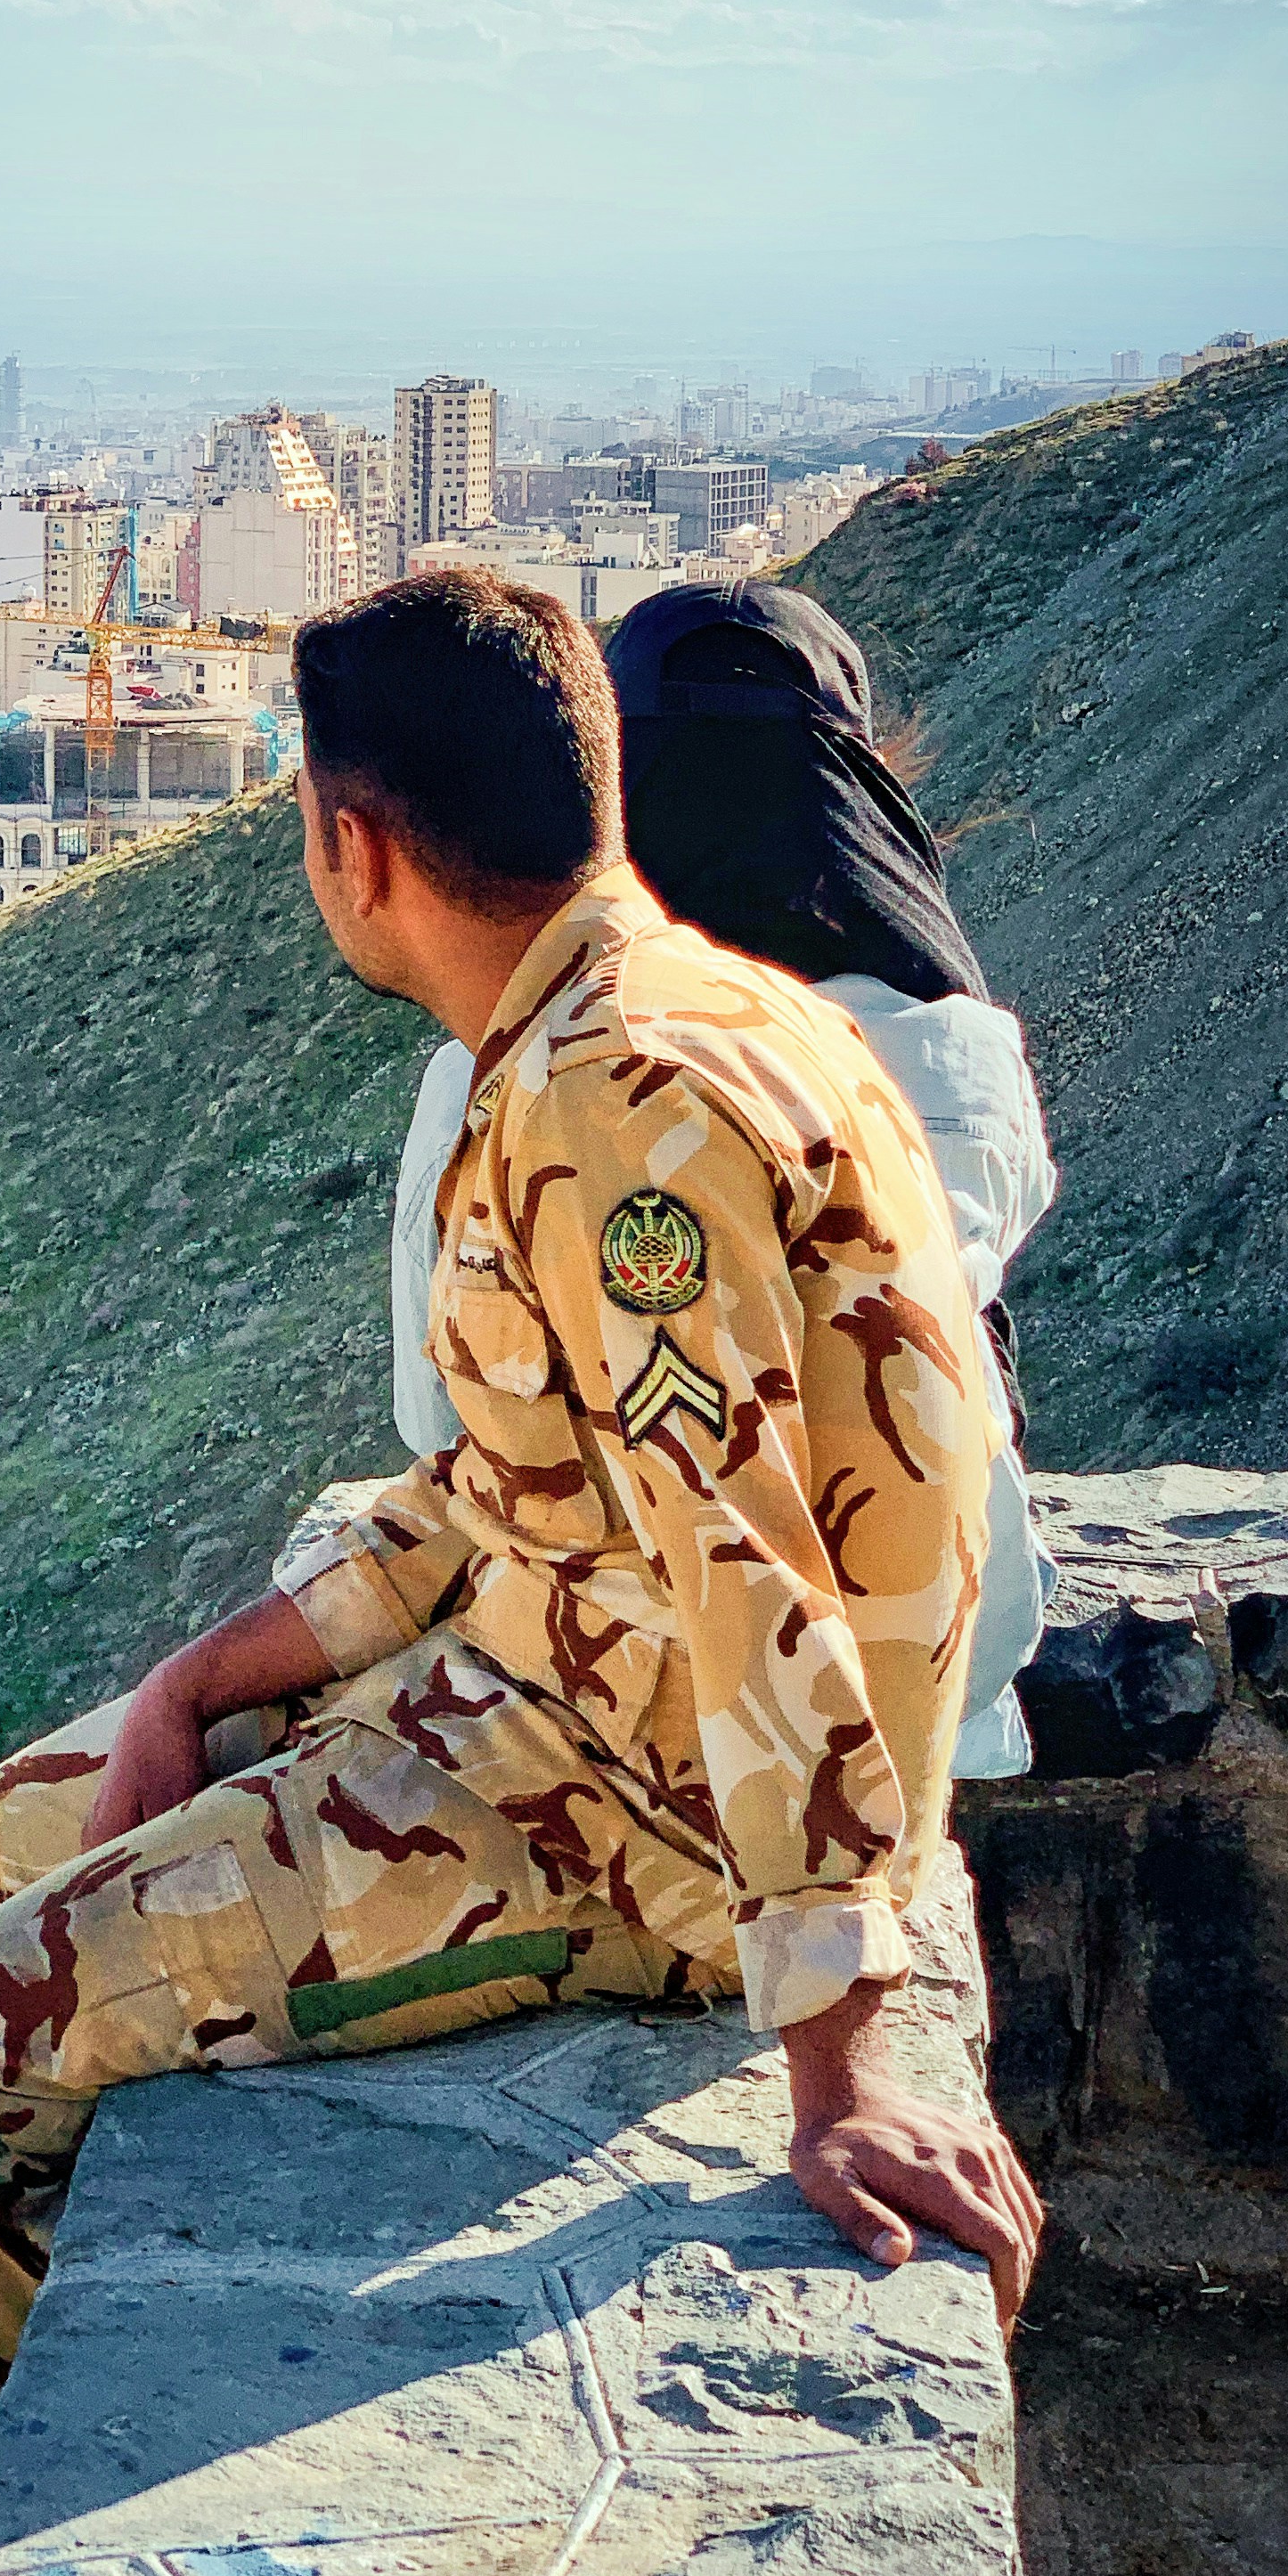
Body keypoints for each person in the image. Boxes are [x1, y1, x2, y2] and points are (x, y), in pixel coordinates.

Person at [0, 572, 1041, 2576]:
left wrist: (840, 2062)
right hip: (549, 1700)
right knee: (13, 1831)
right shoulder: (658, 1007)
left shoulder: (614, 1110)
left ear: (353, 841)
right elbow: (513, 1487)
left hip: (635, 1831)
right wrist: (198, 1683)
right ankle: (12, 2407)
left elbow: (749, 1571)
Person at [389, 580, 1058, 1778]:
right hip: (942, 1680)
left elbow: (438, 1417)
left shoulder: (503, 1069)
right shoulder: (955, 1052)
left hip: (637, 1712)